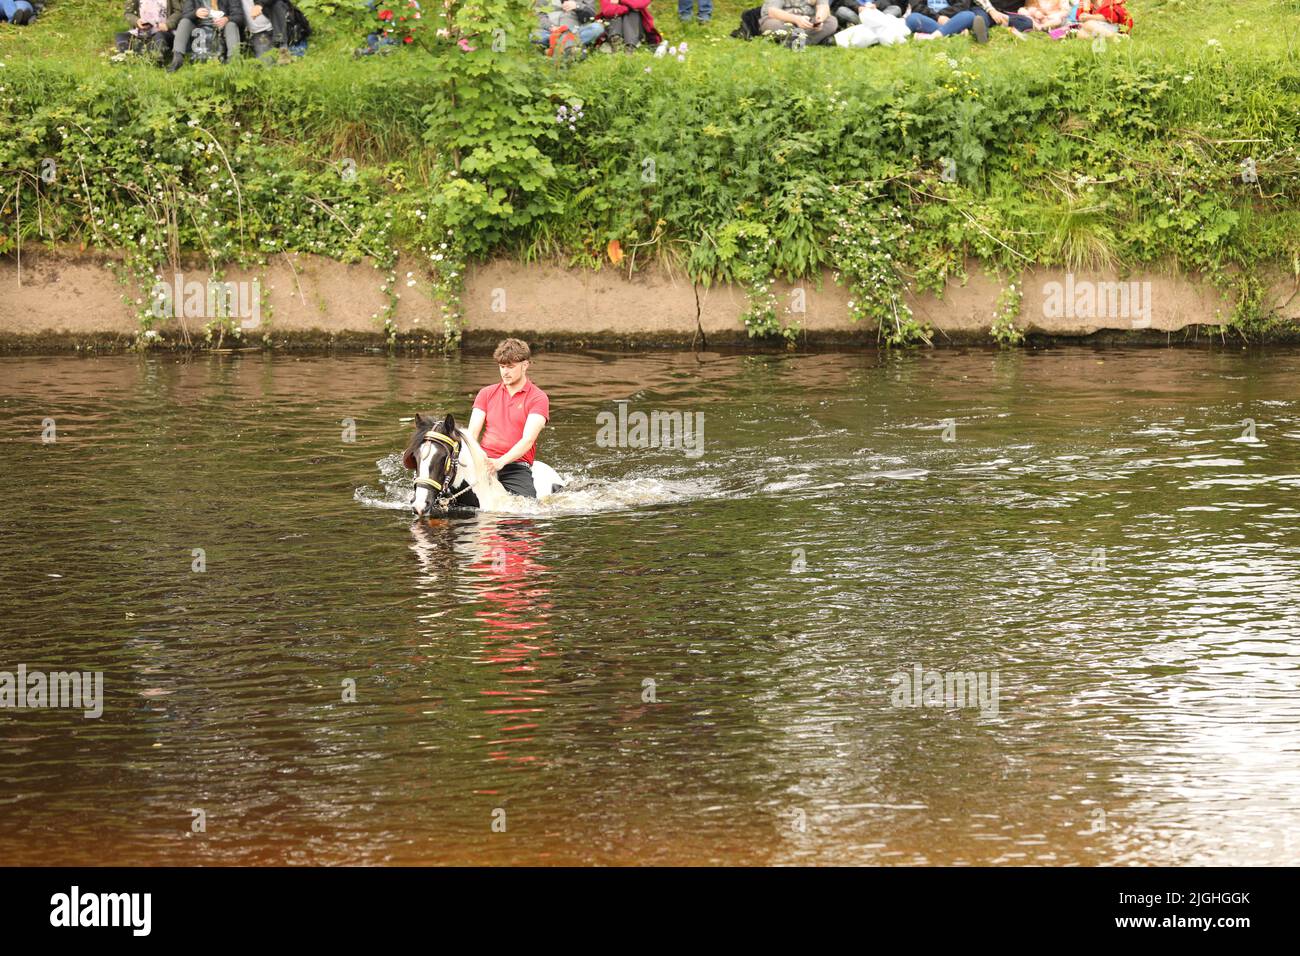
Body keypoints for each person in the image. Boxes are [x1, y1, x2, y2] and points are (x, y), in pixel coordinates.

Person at [466, 339, 551, 500]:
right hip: (483, 463)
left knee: (526, 507)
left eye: (510, 367)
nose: (505, 372)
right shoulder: (486, 393)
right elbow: (471, 434)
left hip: (515, 466)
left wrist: (500, 462)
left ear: (525, 365)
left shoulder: (538, 398)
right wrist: (476, 460)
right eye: (502, 366)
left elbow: (528, 440)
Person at [168, 1, 245, 71]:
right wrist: (195, 13)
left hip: (221, 26)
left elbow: (239, 17)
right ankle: (177, 59)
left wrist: (227, 19)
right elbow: (185, 14)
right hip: (199, 25)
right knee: (184, 22)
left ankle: (233, 60)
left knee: (231, 25)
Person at [116, 0, 183, 61]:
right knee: (121, 36)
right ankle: (127, 54)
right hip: (141, 31)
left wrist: (168, 24)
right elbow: (128, 13)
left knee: (160, 37)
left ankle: (156, 55)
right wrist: (137, 21)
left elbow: (178, 12)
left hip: (163, 31)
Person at [534, 1, 604, 54]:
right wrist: (550, 27)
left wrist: (577, 6)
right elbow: (539, 15)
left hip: (576, 31)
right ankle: (570, 48)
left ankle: (556, 47)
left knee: (597, 28)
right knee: (533, 36)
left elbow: (592, 14)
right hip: (550, 32)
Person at [760, 0, 838, 48]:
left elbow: (824, 7)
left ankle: (794, 42)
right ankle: (809, 40)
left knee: (832, 21)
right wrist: (796, 19)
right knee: (773, 25)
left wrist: (819, 19)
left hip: (807, 22)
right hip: (783, 20)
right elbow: (773, 12)